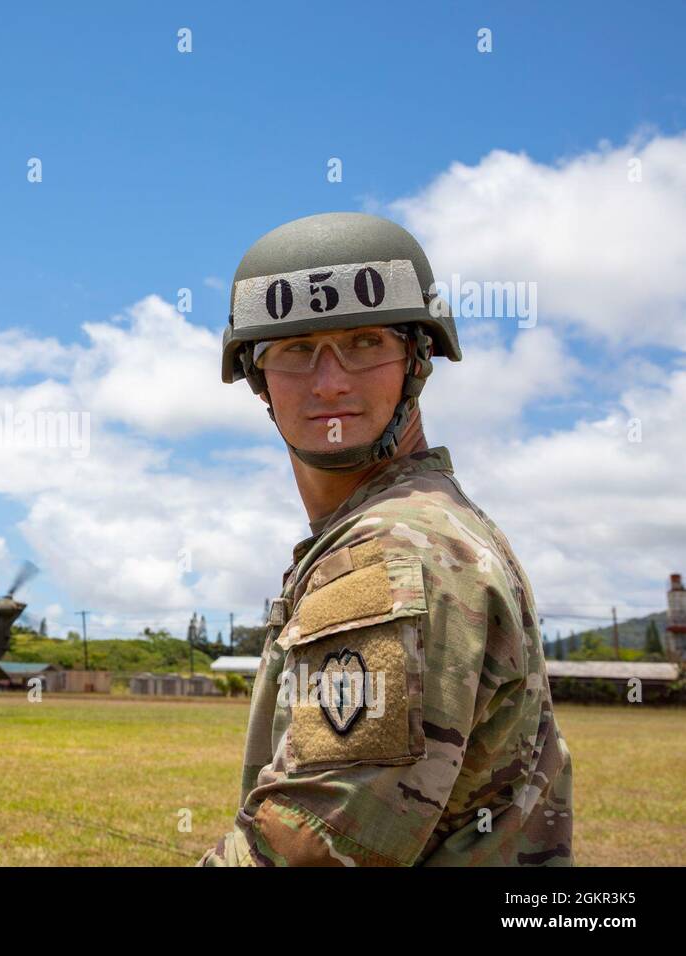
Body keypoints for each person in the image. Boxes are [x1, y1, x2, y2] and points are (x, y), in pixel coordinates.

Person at [198, 212, 573, 866]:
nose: (331, 381)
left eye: (366, 342)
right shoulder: (422, 524)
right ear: (259, 378)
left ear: (417, 359)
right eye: (295, 349)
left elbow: (310, 852)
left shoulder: (391, 552)